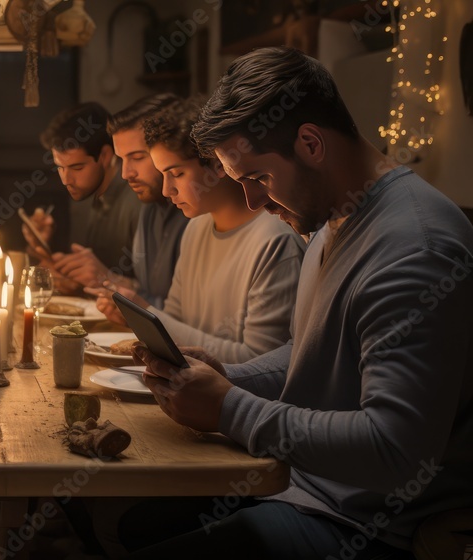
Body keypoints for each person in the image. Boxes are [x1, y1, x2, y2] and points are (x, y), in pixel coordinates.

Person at [124, 46, 473, 559]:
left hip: (368, 527)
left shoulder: (415, 248)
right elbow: (312, 350)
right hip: (303, 488)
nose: (253, 202)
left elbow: (394, 450)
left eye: (258, 179)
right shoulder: (333, 219)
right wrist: (226, 377)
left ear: (310, 143)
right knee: (132, 522)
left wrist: (228, 407)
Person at [95, 96, 304, 363]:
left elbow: (259, 363)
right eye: (163, 174)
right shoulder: (196, 228)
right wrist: (145, 317)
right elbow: (175, 321)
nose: (166, 190)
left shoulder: (275, 241)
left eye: (176, 174)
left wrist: (147, 311)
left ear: (218, 165)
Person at [68, 93, 189, 309]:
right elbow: (148, 294)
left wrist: (107, 280)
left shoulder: (195, 214)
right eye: (121, 159)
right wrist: (107, 283)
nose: (125, 174)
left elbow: (185, 315)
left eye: (137, 157)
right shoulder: (149, 210)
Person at [24, 102, 142, 294]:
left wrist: (105, 280)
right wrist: (44, 249)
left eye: (77, 168)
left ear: (105, 155)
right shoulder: (94, 194)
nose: (66, 180)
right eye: (60, 167)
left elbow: (159, 297)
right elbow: (94, 279)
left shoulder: (138, 201)